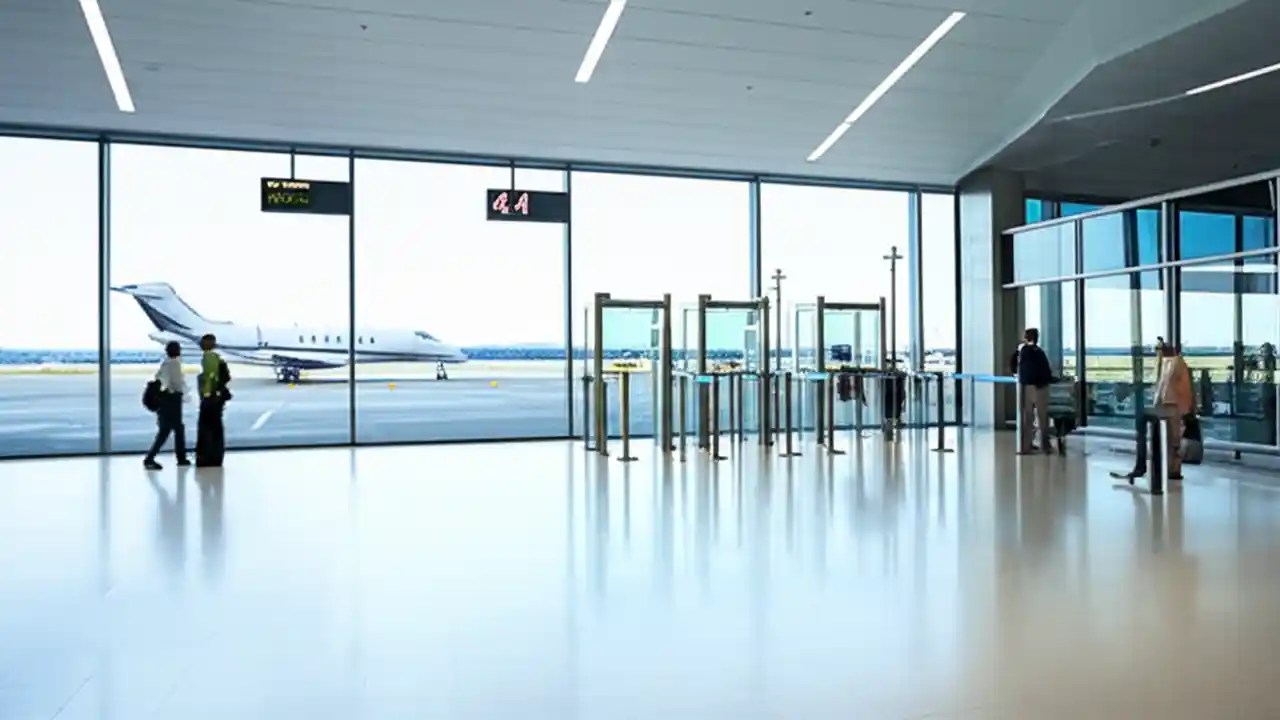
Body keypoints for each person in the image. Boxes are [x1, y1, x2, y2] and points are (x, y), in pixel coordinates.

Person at [144, 341, 189, 470]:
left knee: (170, 430)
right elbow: (173, 383)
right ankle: (152, 458)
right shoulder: (174, 363)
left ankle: (179, 457)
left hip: (167, 401)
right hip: (172, 400)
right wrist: (177, 392)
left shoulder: (166, 363)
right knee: (171, 430)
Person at [1154, 341, 1194, 479]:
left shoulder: (1173, 364)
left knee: (1173, 440)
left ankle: (1173, 468)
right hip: (1171, 405)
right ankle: (1171, 468)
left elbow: (1165, 386)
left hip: (1172, 405)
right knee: (1172, 440)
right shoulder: (1170, 363)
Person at [1017, 328, 1054, 455]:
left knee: (1027, 417)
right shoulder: (1038, 352)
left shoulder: (1024, 351)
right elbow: (1045, 370)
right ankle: (1044, 445)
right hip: (1039, 387)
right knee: (1042, 417)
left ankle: (1026, 446)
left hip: (1028, 386)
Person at [195, 334, 229, 468]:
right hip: (217, 399)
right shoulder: (217, 357)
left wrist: (206, 395)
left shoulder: (208, 358)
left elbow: (210, 377)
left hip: (210, 399)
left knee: (206, 428)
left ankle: (205, 457)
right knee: (216, 428)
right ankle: (216, 457)